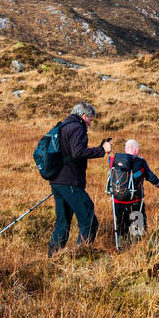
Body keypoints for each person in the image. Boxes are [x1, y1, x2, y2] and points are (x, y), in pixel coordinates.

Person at [48, 101, 111, 256]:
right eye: (90, 120)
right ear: (84, 116)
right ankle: (80, 256)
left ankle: (53, 257)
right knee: (88, 219)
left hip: (57, 181)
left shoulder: (62, 126)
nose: (90, 123)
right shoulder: (78, 128)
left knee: (62, 222)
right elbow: (78, 152)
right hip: (71, 181)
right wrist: (102, 150)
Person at [107, 139, 159, 246]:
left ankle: (122, 248)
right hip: (135, 202)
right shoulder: (140, 162)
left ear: (125, 149)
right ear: (136, 150)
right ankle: (136, 249)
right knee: (137, 229)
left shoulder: (113, 159)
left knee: (122, 227)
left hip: (117, 201)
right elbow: (152, 178)